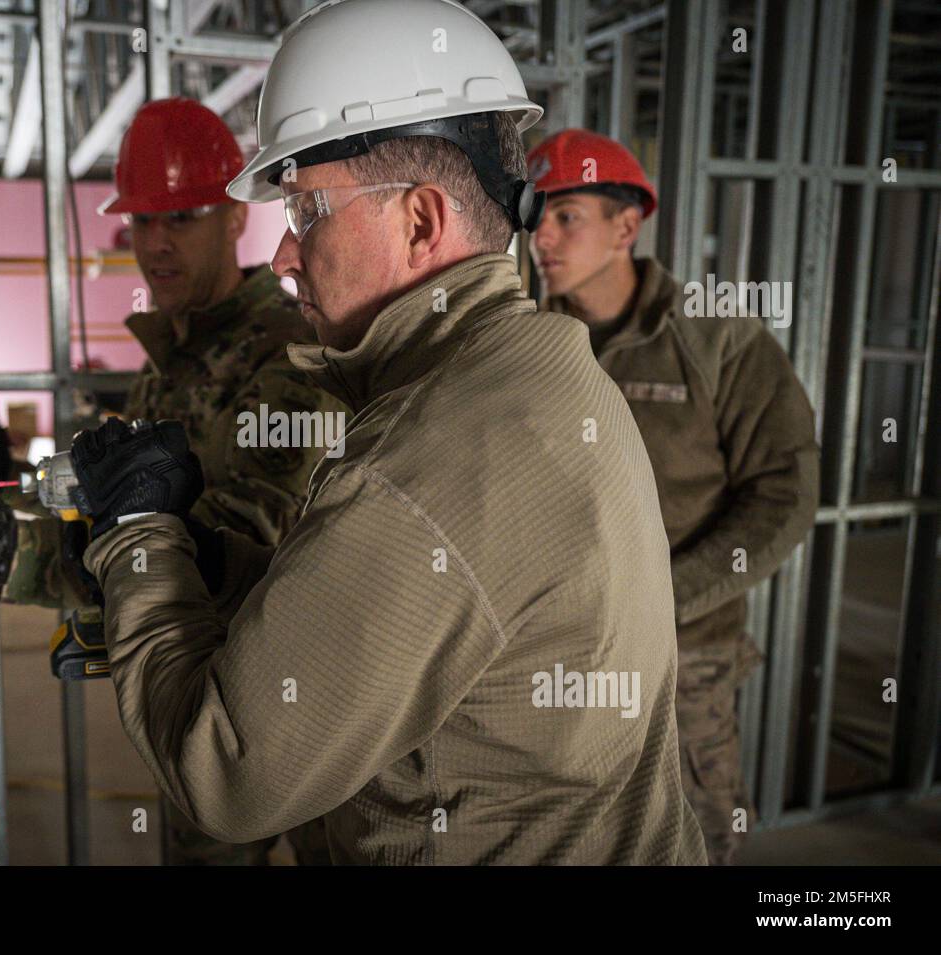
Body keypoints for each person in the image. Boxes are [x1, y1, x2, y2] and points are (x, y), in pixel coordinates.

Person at [62, 0, 706, 865]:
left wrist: (139, 537)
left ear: (421, 221)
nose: (285, 258)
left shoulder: (428, 454)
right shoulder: (538, 370)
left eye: (305, 213)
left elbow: (228, 775)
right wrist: (212, 566)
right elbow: (400, 620)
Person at [0, 97, 345, 865]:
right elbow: (127, 526)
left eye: (180, 218)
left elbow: (230, 545)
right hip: (198, 702)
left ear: (232, 218)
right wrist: (26, 530)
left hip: (307, 705)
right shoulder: (167, 367)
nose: (156, 244)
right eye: (143, 222)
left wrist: (40, 559)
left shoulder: (288, 357)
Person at [526, 127, 820, 864]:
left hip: (685, 655)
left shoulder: (716, 337)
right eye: (536, 216)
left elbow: (784, 491)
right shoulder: (526, 346)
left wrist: (668, 594)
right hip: (558, 651)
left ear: (627, 226)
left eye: (567, 216)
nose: (542, 237)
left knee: (698, 832)